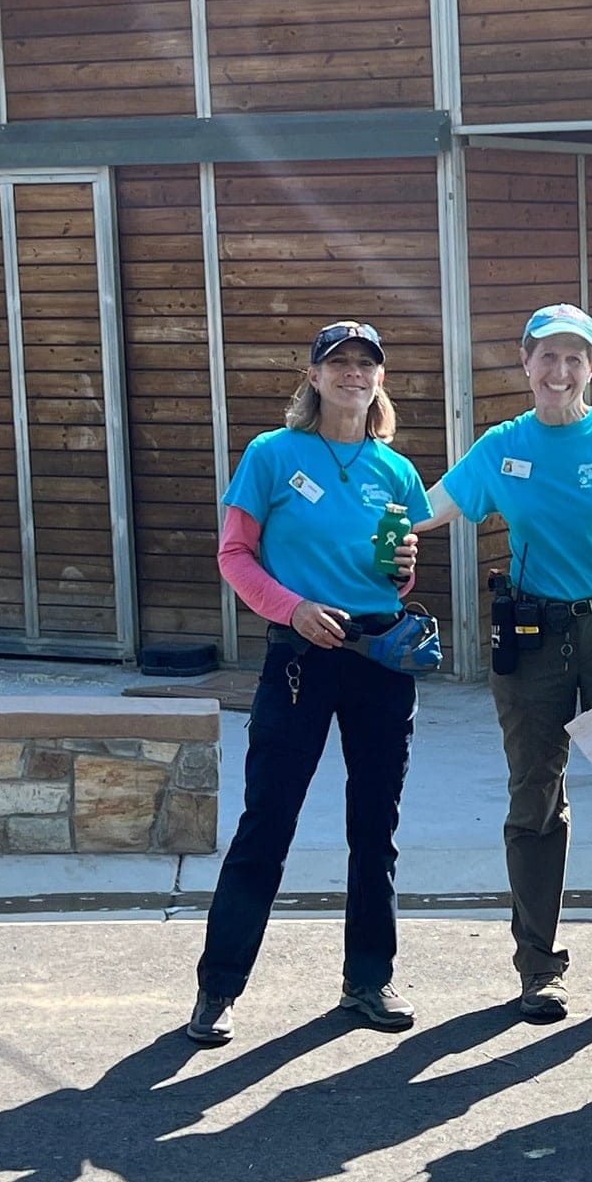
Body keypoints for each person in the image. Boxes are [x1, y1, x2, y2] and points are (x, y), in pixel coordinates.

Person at [415, 304, 592, 1024]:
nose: (560, 371)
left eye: (575, 357)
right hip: (536, 643)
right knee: (536, 803)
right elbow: (427, 510)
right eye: (548, 355)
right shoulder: (501, 448)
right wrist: (351, 527)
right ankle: (538, 969)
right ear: (525, 361)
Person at [187, 321, 430, 1046]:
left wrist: (404, 568)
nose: (353, 374)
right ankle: (218, 988)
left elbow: (398, 572)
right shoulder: (272, 454)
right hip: (299, 658)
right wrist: (292, 608)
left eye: (366, 364)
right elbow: (234, 555)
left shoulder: (396, 470)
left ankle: (368, 980)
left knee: (374, 827)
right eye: (339, 363)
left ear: (380, 379)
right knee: (268, 822)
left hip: (379, 659)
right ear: (314, 377)